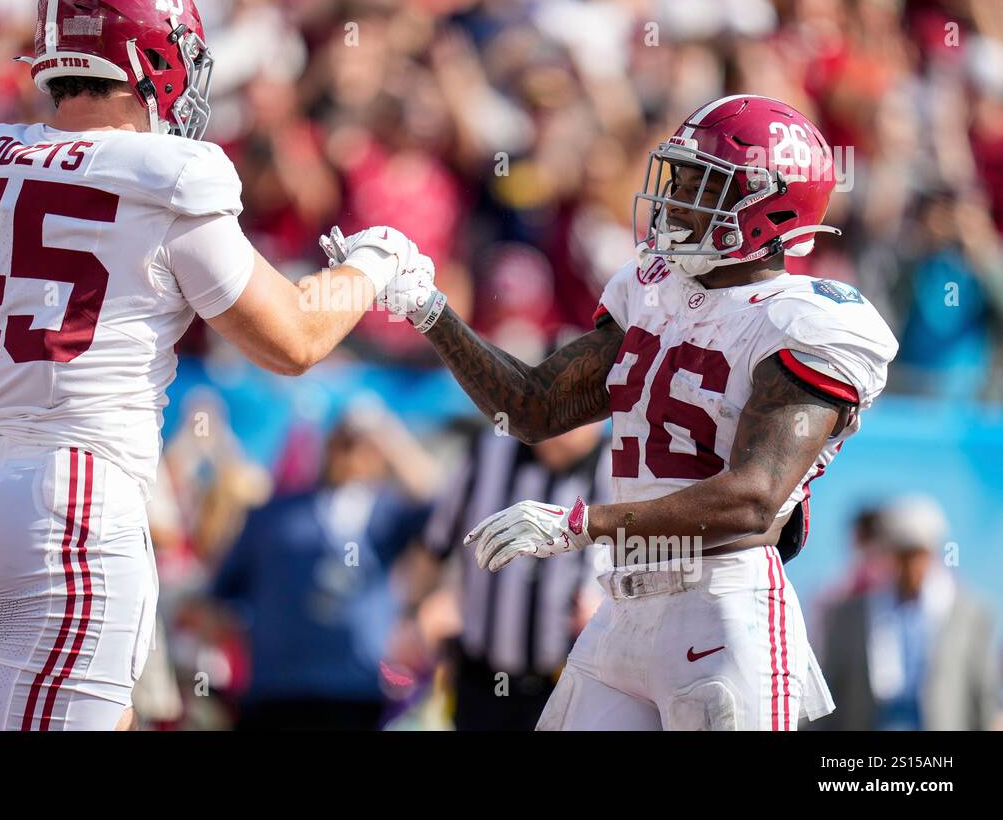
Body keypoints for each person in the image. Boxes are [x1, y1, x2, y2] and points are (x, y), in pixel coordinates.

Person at [0, 0, 430, 731]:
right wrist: (375, 260)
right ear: (148, 59)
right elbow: (293, 339)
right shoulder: (164, 178)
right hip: (70, 508)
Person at [330, 94, 900, 730]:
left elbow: (753, 498)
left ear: (769, 204)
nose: (674, 198)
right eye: (678, 177)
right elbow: (535, 409)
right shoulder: (649, 287)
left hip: (723, 604)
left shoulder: (809, 320)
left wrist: (581, 523)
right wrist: (427, 308)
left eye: (699, 183)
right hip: (626, 605)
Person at [210, 411, 430, 731]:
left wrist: (394, 438)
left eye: (363, 445)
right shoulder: (275, 514)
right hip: (276, 688)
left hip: (355, 688)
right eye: (344, 443)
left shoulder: (389, 513)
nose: (352, 455)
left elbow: (444, 508)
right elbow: (222, 593)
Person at [417, 422, 609, 731]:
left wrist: (608, 609)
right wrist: (416, 612)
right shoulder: (488, 452)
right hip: (482, 683)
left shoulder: (615, 470)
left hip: (572, 686)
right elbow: (433, 548)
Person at [817, 496, 998, 731]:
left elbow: (981, 692)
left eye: (918, 554)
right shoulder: (852, 613)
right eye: (903, 554)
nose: (911, 565)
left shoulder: (969, 615)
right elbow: (834, 689)